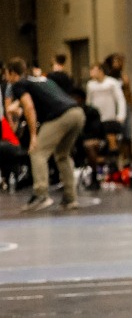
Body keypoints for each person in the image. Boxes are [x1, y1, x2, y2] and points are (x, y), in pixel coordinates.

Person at [4, 56, 89, 210]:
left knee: (37, 152)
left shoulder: (19, 85)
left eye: (6, 74)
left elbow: (29, 107)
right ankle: (70, 198)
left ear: (11, 73)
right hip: (77, 113)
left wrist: (34, 136)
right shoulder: (40, 80)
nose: (5, 77)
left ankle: (41, 195)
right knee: (62, 155)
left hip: (60, 116)